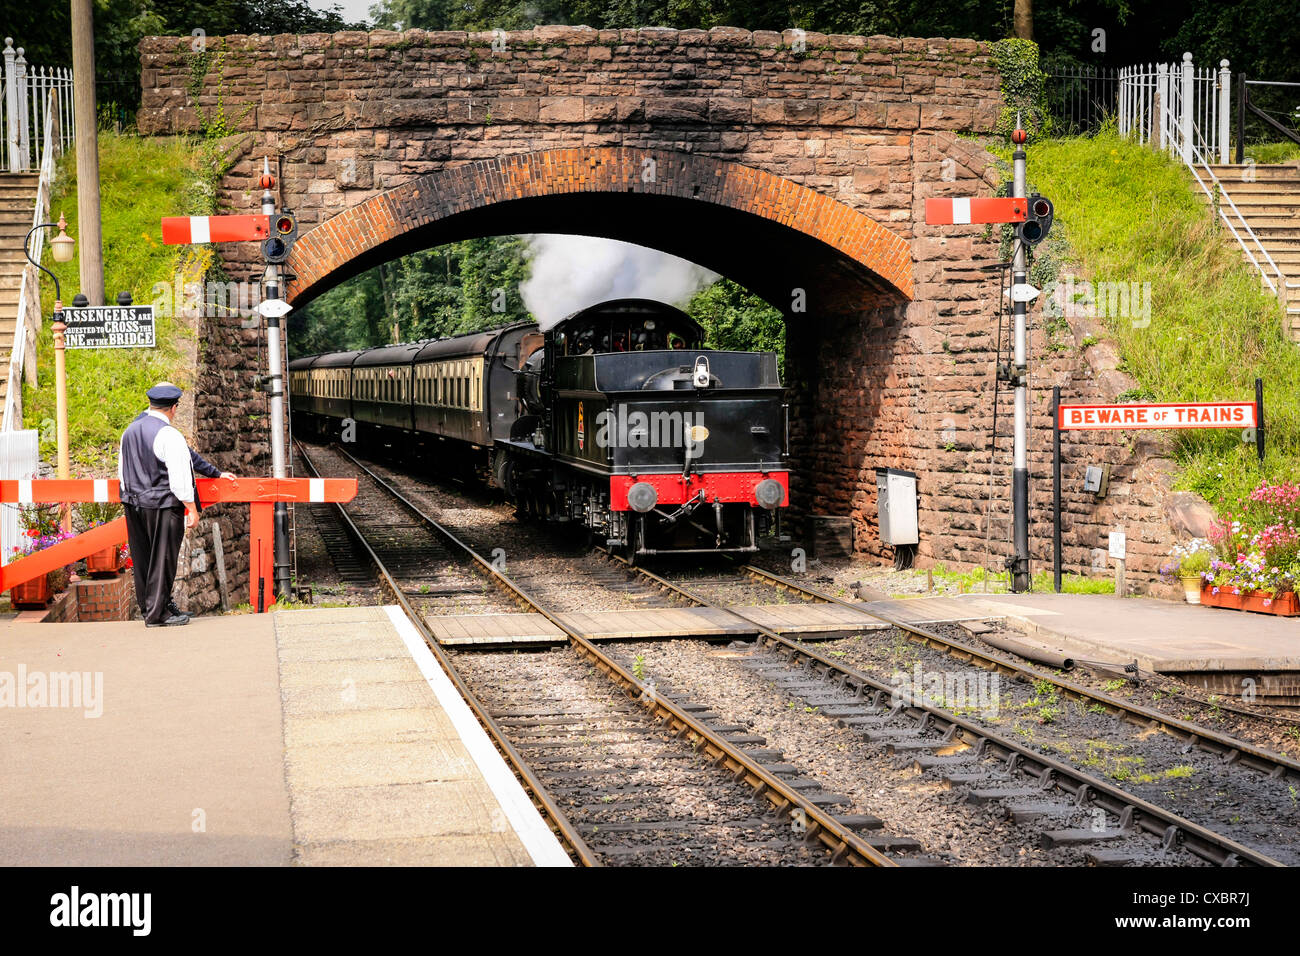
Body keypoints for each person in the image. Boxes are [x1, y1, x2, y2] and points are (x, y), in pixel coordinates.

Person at [117, 382, 234, 627]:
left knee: (143, 559)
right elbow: (180, 476)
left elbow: (122, 469)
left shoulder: (129, 430)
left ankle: (153, 606)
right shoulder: (169, 435)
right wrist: (191, 508)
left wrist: (214, 472)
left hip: (133, 502)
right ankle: (157, 614)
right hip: (162, 505)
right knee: (164, 559)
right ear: (174, 408)